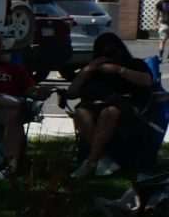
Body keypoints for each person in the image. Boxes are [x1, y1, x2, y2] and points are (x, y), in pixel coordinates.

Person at [65, 31, 153, 178]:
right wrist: (86, 71)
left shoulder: (134, 64)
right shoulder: (94, 71)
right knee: (80, 112)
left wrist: (119, 70)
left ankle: (91, 161)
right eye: (103, 54)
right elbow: (71, 92)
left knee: (110, 111)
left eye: (111, 53)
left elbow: (146, 81)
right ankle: (103, 158)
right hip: (96, 105)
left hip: (126, 107)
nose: (108, 58)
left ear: (119, 50)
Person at [0, 31, 38, 177]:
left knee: (15, 113)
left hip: (9, 112)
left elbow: (31, 90)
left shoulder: (14, 68)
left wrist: (39, 92)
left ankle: (12, 166)